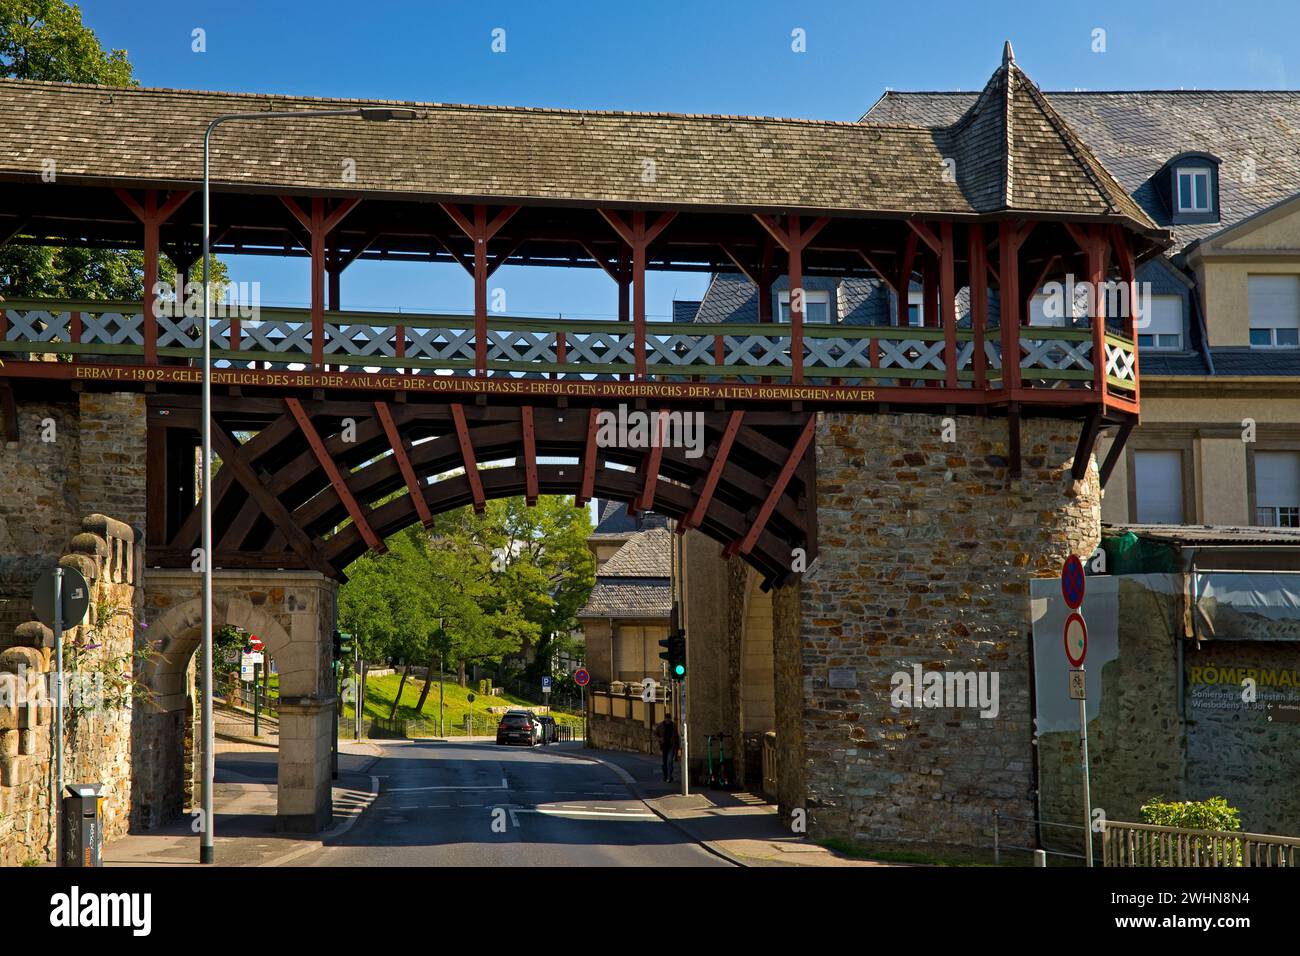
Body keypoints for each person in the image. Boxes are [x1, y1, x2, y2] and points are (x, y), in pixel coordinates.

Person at [657, 714, 680, 783]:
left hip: (671, 746)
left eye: (669, 719)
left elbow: (676, 736)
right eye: (667, 719)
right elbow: (655, 733)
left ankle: (669, 777)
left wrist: (677, 746)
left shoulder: (673, 725)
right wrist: (660, 739)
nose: (668, 720)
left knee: (669, 762)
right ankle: (665, 776)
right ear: (665, 719)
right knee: (664, 763)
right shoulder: (661, 725)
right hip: (664, 746)